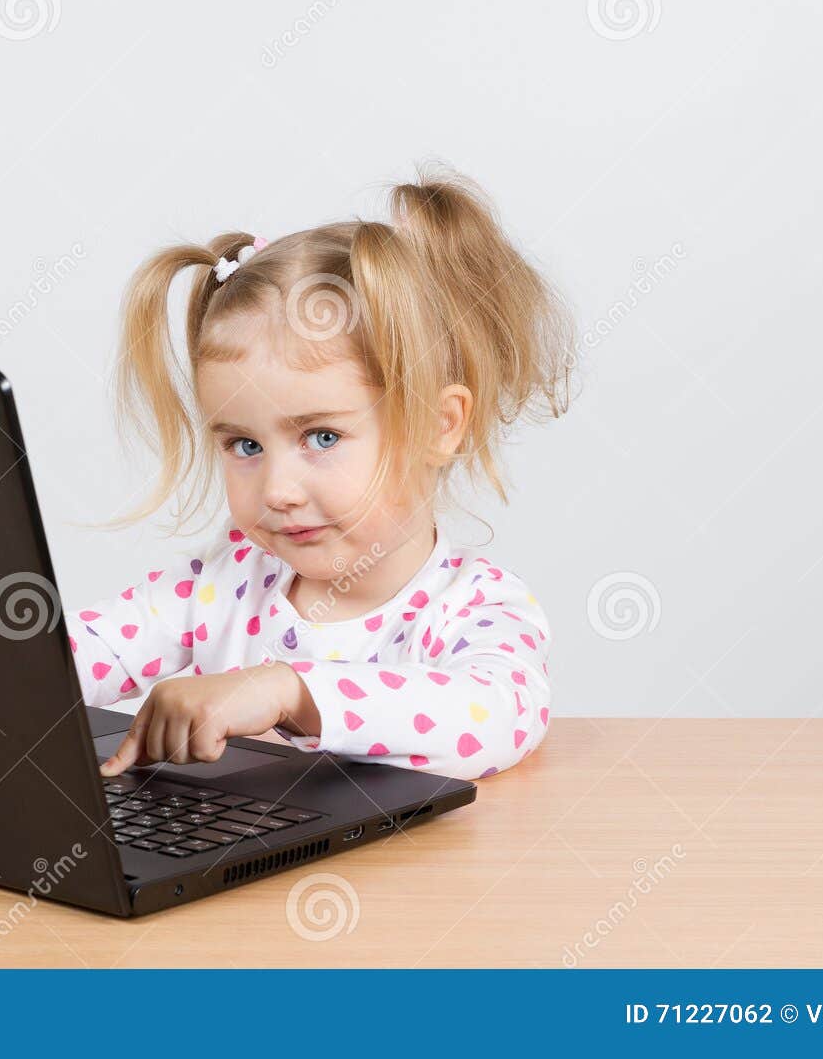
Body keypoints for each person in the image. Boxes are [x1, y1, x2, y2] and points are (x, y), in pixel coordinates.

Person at [66, 165, 576, 781]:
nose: (277, 491)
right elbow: (73, 661)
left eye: (322, 437)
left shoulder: (473, 606)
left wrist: (287, 689)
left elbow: (494, 719)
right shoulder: (223, 586)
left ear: (440, 425)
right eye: (245, 445)